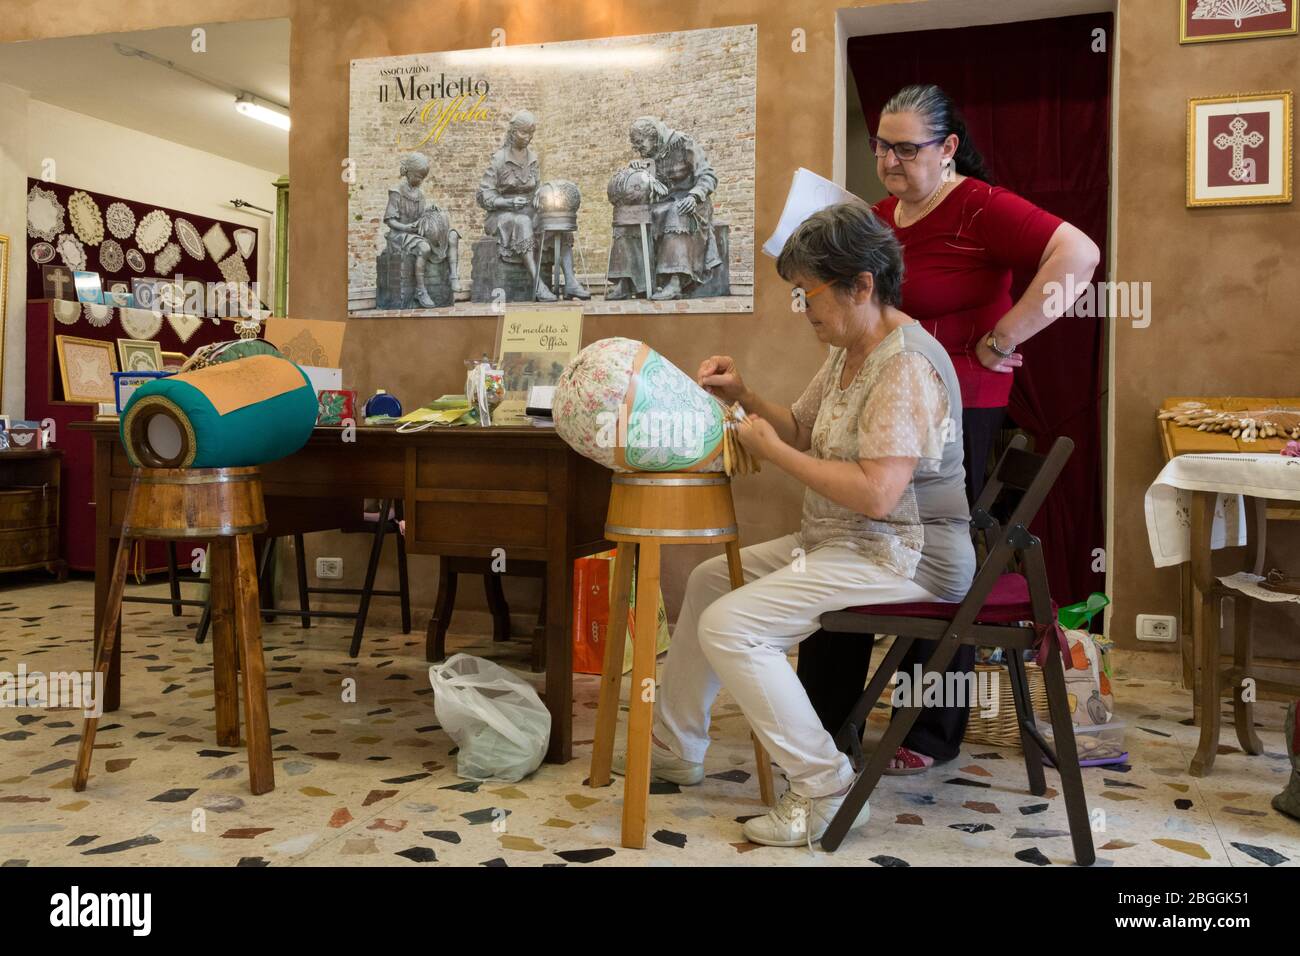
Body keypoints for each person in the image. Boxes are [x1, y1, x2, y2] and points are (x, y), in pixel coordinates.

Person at [611, 202, 975, 848]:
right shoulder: (849, 349)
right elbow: (805, 427)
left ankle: (826, 786)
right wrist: (744, 396)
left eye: (808, 294)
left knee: (734, 625)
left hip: (906, 554)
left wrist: (775, 454)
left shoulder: (905, 366)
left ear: (861, 285)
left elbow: (876, 495)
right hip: (843, 540)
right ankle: (676, 746)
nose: (803, 308)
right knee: (707, 583)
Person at [796, 83, 1100, 775]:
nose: (890, 161)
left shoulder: (978, 207)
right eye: (882, 147)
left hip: (960, 407)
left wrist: (1004, 336)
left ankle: (928, 728)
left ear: (949, 148)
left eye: (907, 148)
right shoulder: (877, 217)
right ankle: (827, 718)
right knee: (855, 537)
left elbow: (1078, 255)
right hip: (888, 399)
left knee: (931, 559)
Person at [476, 110, 589, 301]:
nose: (527, 138)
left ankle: (570, 281)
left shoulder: (533, 158)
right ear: (512, 132)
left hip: (529, 209)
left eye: (530, 134)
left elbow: (536, 186)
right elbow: (483, 195)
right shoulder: (499, 159)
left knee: (557, 221)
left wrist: (540, 194)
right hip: (502, 215)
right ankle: (538, 285)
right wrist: (508, 201)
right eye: (523, 133)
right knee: (522, 222)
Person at [627, 116, 723, 300]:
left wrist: (694, 195)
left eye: (640, 143)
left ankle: (676, 281)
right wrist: (637, 173)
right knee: (633, 214)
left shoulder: (682, 143)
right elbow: (652, 186)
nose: (638, 149)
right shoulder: (650, 155)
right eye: (634, 145)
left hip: (692, 202)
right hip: (663, 202)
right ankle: (635, 282)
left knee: (676, 211)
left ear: (653, 135)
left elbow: (708, 175)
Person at [383, 152, 456, 308]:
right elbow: (390, 220)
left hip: (414, 232)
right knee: (424, 247)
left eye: (423, 178)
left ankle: (452, 278)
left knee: (448, 237)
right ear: (408, 172)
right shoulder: (396, 192)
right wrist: (405, 227)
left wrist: (430, 210)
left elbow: (421, 215)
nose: (420, 181)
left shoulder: (420, 193)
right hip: (399, 234)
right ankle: (421, 290)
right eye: (418, 177)